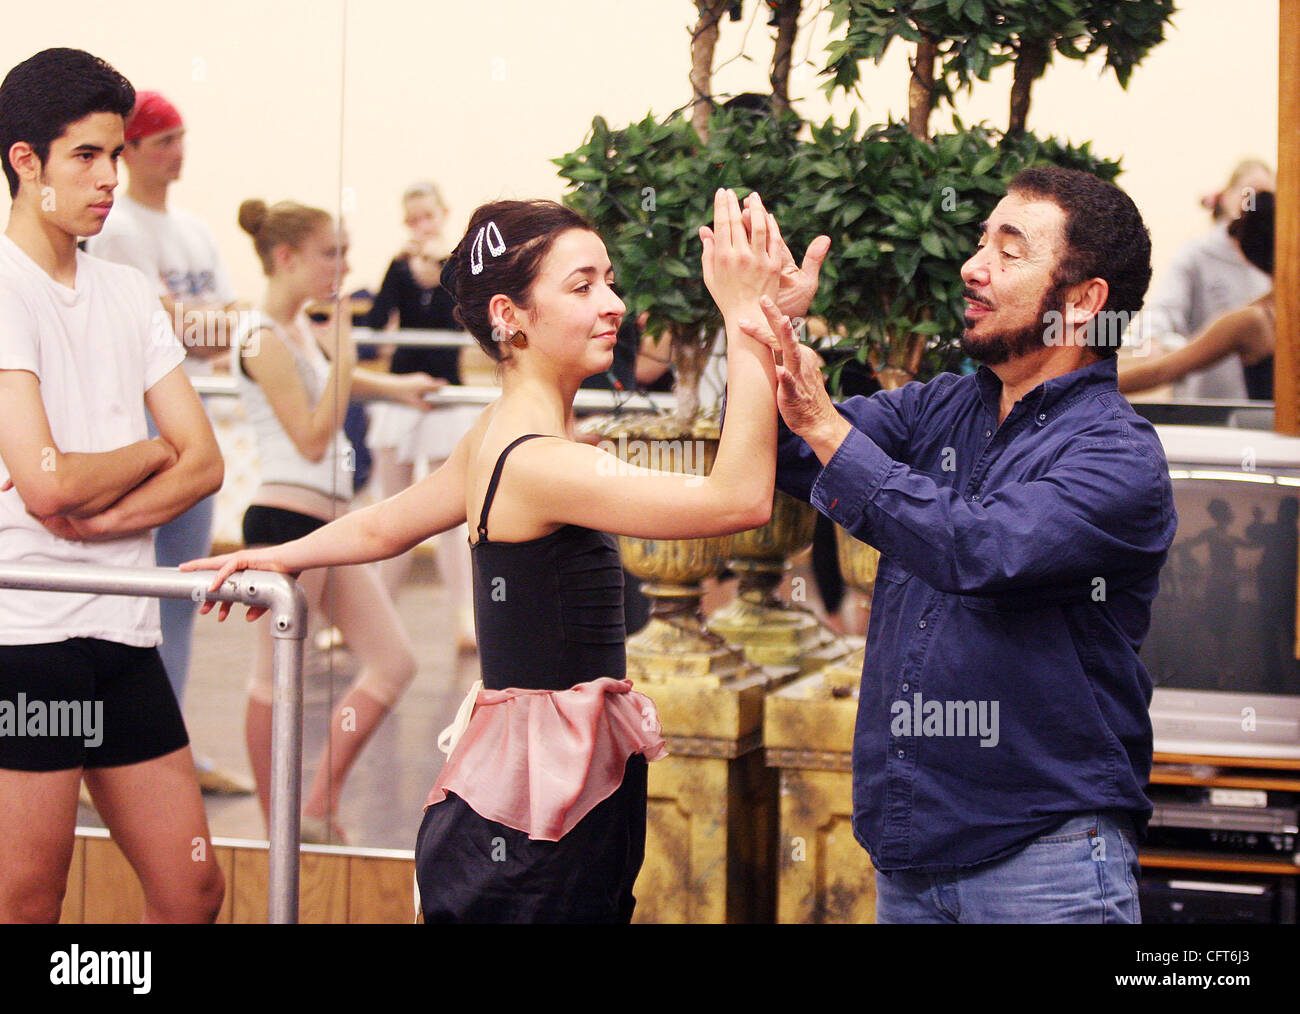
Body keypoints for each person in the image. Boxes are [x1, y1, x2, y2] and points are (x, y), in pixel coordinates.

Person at [183, 189, 782, 921]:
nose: (613, 304)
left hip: (544, 795)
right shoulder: (536, 463)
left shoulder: (502, 439)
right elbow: (740, 499)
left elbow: (381, 528)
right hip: (535, 816)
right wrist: (747, 321)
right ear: (509, 317)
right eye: (582, 285)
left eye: (610, 281)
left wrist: (278, 555)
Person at [749, 165, 1178, 922]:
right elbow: (780, 453)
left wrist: (824, 421)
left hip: (1046, 865)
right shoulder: (941, 406)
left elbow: (977, 550)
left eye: (1009, 252)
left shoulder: (1119, 457)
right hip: (910, 860)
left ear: (1083, 303)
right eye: (982, 241)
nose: (973, 267)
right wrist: (762, 329)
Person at [0, 48, 224, 922]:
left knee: (192, 888)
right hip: (31, 643)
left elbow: (203, 462)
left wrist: (108, 495)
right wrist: (148, 451)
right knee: (29, 897)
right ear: (27, 162)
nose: (109, 179)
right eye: (87, 157)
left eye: (117, 156)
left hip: (123, 631)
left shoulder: (128, 293)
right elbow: (46, 484)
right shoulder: (4, 291)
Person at [228, 198, 441, 843]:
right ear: (286, 257)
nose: (343, 267)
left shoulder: (297, 330)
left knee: (393, 662)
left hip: (324, 523)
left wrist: (398, 387)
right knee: (276, 678)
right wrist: (349, 355)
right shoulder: (261, 336)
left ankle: (317, 806)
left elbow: (331, 382)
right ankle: (279, 834)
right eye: (331, 253)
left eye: (346, 253)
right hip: (286, 520)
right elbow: (315, 435)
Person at [83, 89, 250, 796]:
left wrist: (194, 322)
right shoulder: (115, 227)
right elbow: (177, 330)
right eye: (163, 141)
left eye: (183, 136)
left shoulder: (194, 230)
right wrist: (197, 323)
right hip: (135, 424)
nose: (179, 151)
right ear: (134, 150)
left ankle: (170, 743)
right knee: (120, 594)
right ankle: (103, 753)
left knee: (181, 593)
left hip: (184, 422)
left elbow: (223, 333)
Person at [364, 182, 478, 653]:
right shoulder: (397, 264)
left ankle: (466, 618)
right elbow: (374, 321)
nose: (421, 227)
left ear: (444, 213)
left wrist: (441, 267)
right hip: (399, 395)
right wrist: (403, 273)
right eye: (412, 219)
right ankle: (373, 617)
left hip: (444, 396)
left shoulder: (459, 265)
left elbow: (469, 316)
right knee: (390, 510)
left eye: (427, 217)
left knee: (451, 516)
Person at [1134, 158, 1274, 398]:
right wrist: (1152, 337)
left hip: (1257, 407)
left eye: (1264, 196)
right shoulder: (1197, 254)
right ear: (1227, 196)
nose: (1254, 202)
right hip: (1204, 398)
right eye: (1249, 192)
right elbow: (1164, 308)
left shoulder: (1275, 273)